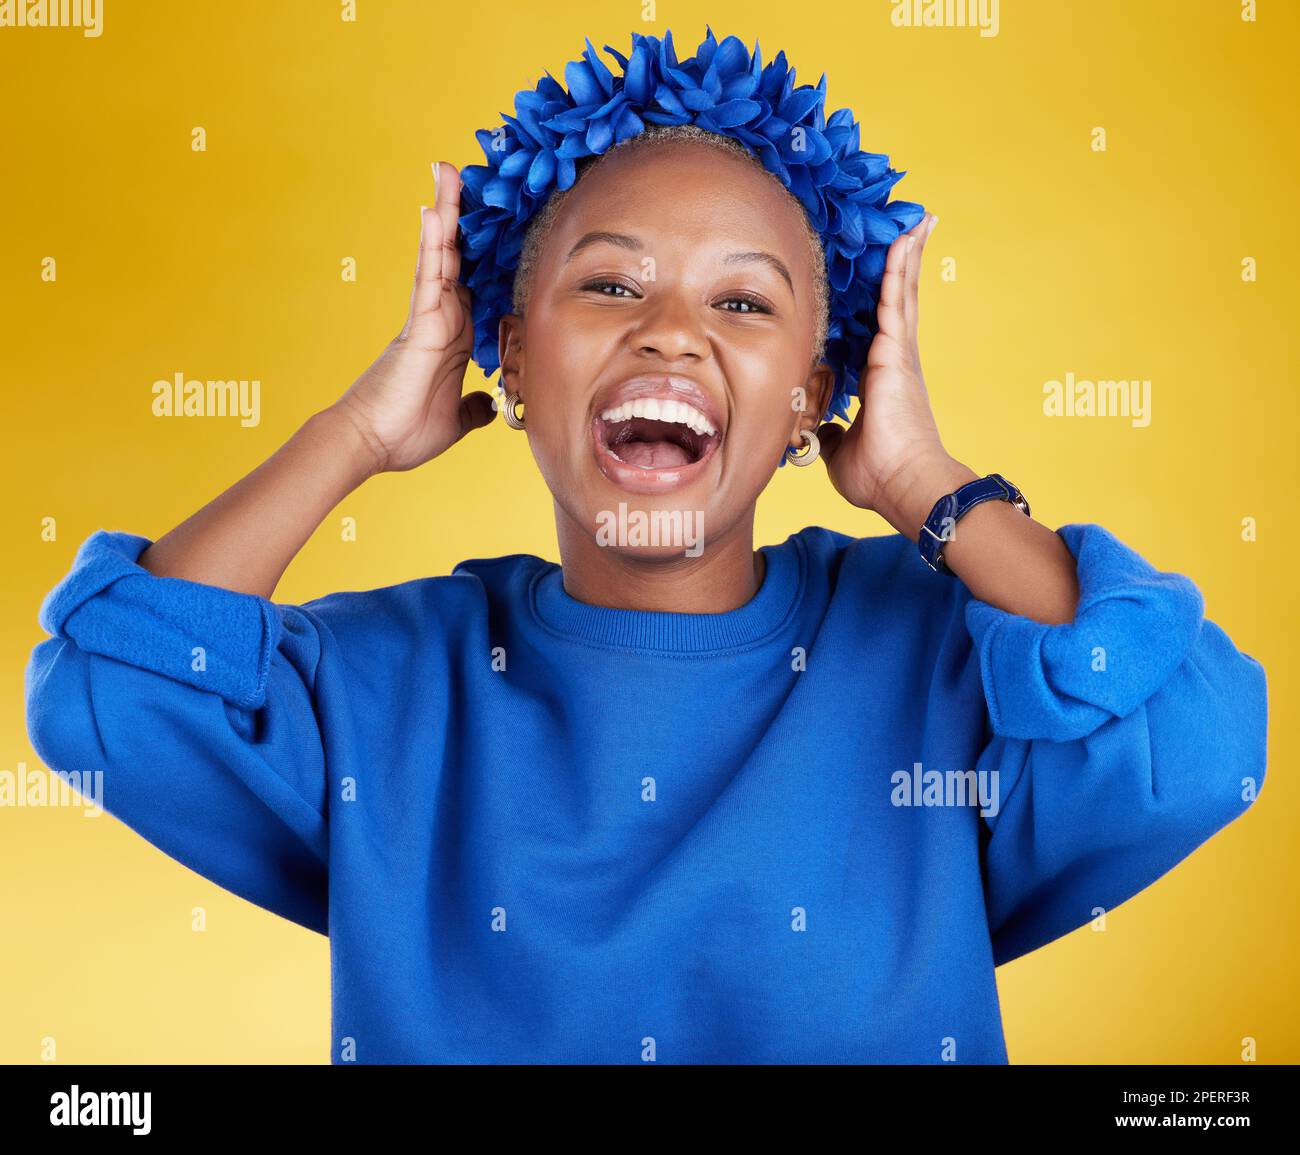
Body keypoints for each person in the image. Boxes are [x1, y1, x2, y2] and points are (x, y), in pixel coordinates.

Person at [25, 30, 1268, 1064]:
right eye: (611, 287)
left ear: (811, 394)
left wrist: (922, 485)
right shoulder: (390, 682)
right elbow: (104, 698)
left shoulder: (943, 651)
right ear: (511, 356)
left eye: (742, 302)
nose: (671, 335)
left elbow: (1200, 744)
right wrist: (352, 431)